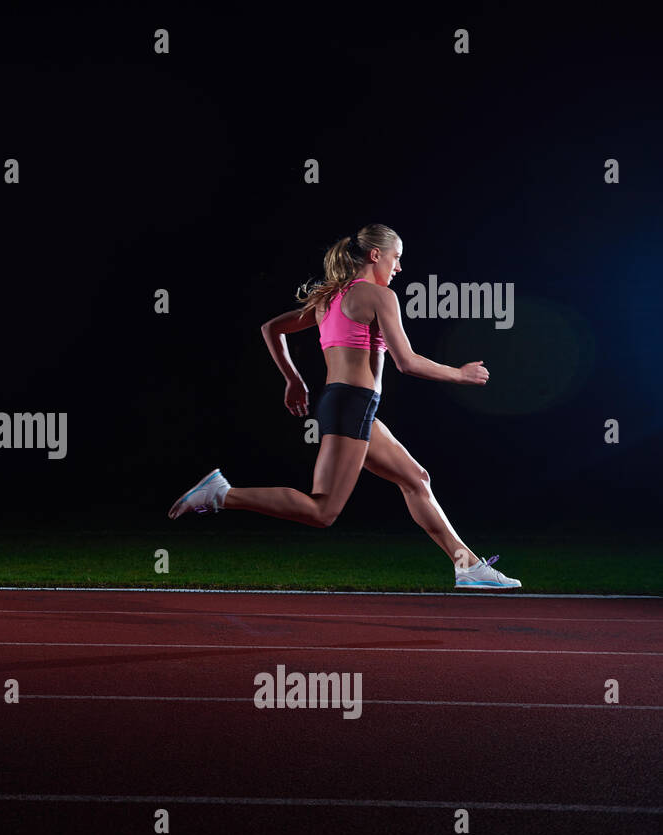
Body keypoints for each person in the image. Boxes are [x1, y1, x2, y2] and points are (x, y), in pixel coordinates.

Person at [167, 224, 520, 589]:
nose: (399, 268)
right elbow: (407, 362)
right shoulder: (379, 297)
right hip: (353, 405)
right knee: (323, 511)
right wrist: (460, 375)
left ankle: (466, 565)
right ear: (375, 255)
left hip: (347, 404)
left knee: (416, 480)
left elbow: (271, 328)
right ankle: (223, 495)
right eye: (396, 258)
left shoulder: (329, 299)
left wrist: (294, 379)